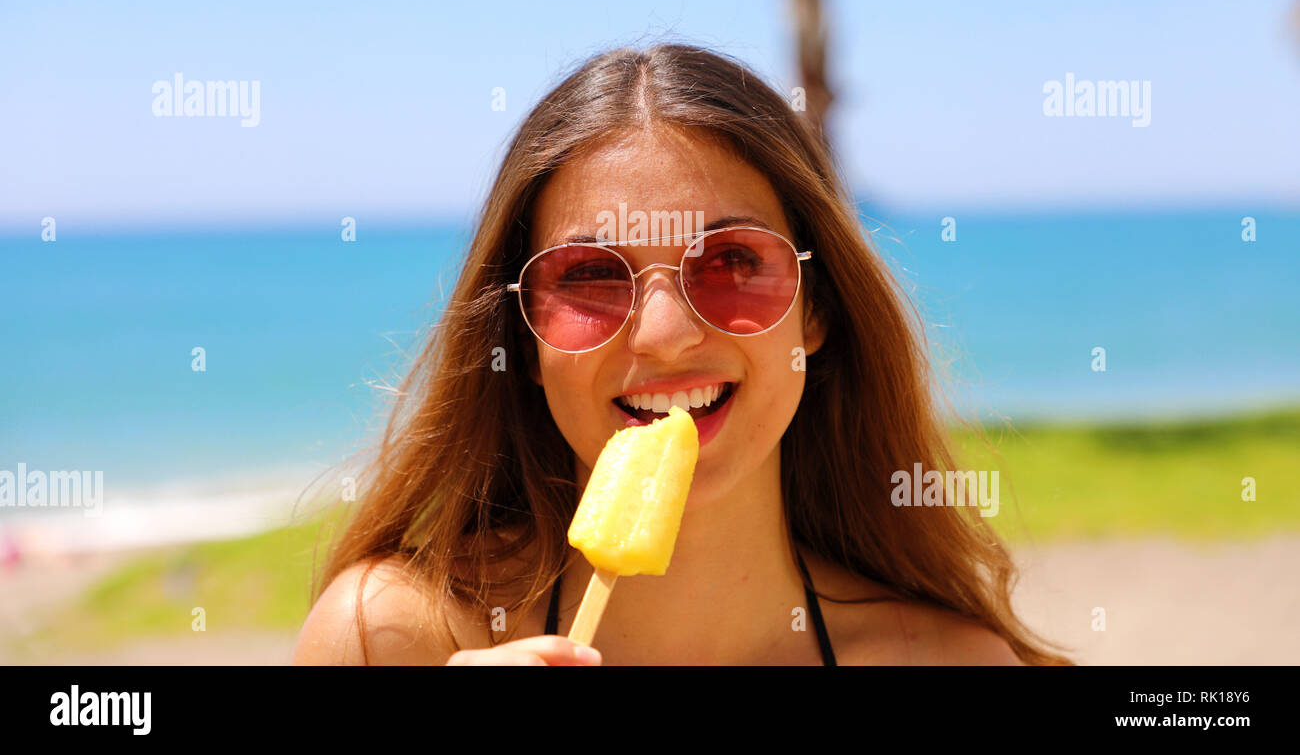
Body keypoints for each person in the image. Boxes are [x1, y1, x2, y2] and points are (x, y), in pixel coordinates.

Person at [293, 43, 1072, 665]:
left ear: (817, 307)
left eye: (731, 262)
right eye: (591, 276)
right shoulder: (386, 642)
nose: (665, 333)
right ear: (523, 341)